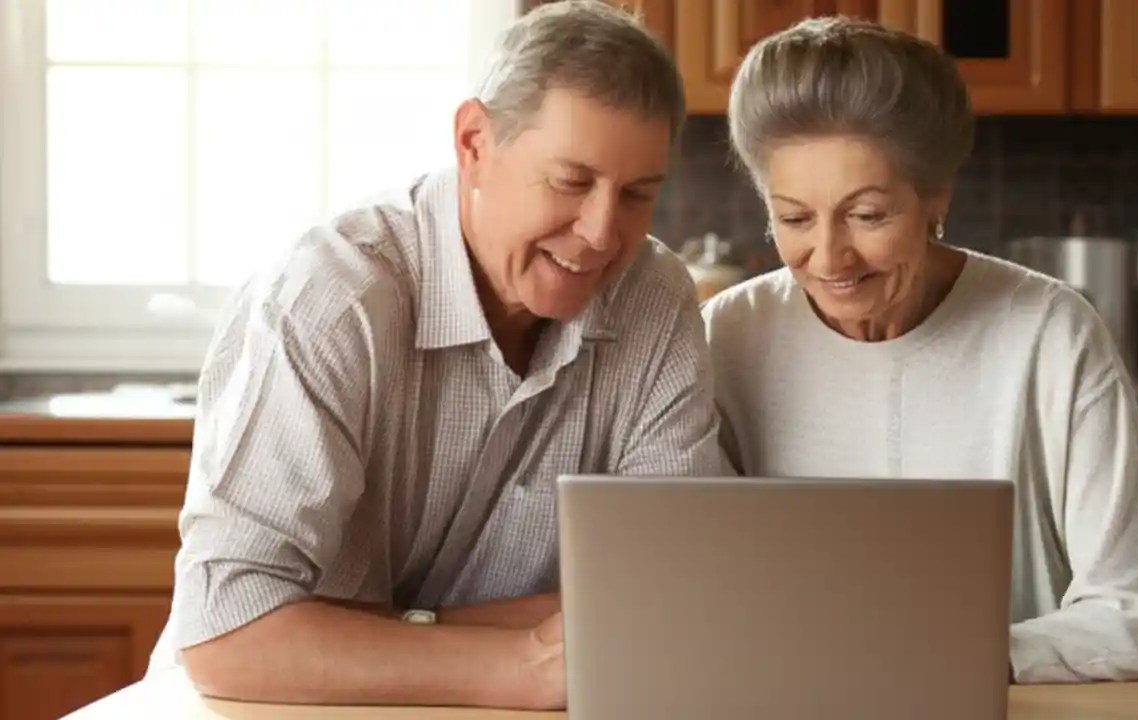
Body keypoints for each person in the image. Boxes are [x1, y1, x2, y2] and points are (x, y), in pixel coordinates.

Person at [148, 1, 719, 710]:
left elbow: (665, 595)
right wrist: (521, 663)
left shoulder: (654, 299)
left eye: (636, 195)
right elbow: (228, 632)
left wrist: (399, 632)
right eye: (571, 182)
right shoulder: (332, 299)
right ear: (474, 142)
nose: (603, 233)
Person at [702, 17, 1138, 684]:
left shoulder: (1049, 333)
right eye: (794, 218)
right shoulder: (729, 334)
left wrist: (945, 660)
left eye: (867, 215)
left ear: (937, 197)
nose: (830, 257)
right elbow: (702, 587)